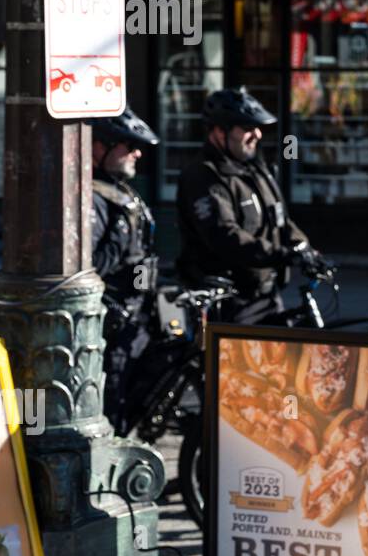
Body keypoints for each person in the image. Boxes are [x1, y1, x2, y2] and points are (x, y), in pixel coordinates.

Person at [177, 87, 317, 324]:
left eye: (258, 128)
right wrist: (283, 255)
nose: (258, 135)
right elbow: (226, 237)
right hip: (232, 303)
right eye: (247, 128)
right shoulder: (204, 177)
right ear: (219, 132)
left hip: (267, 294)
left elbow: (281, 220)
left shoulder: (254, 169)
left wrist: (304, 249)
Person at [90, 108, 160, 431]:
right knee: (112, 403)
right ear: (99, 147)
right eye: (128, 146)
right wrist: (117, 238)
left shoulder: (122, 191)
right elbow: (89, 268)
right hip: (113, 323)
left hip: (140, 315)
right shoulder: (92, 198)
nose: (138, 153)